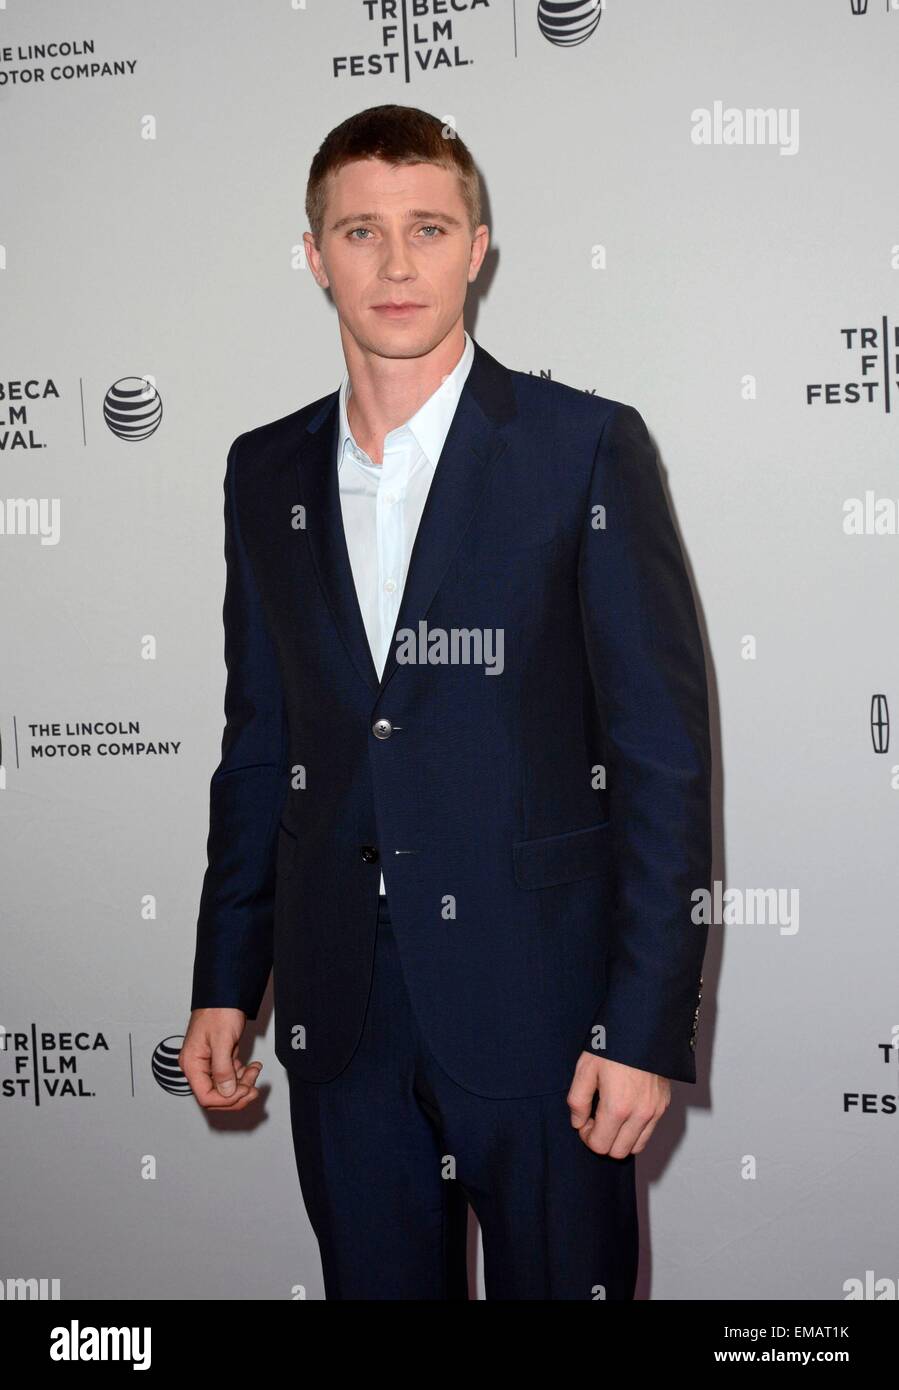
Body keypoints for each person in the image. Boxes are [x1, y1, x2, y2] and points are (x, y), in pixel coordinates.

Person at [181, 103, 712, 1301]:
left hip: (540, 1013)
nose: (396, 261)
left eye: (427, 227)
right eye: (359, 232)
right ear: (315, 257)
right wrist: (227, 974)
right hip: (341, 1015)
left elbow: (659, 758)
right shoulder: (263, 471)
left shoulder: (580, 449)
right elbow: (262, 745)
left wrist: (640, 1027)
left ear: (478, 246)